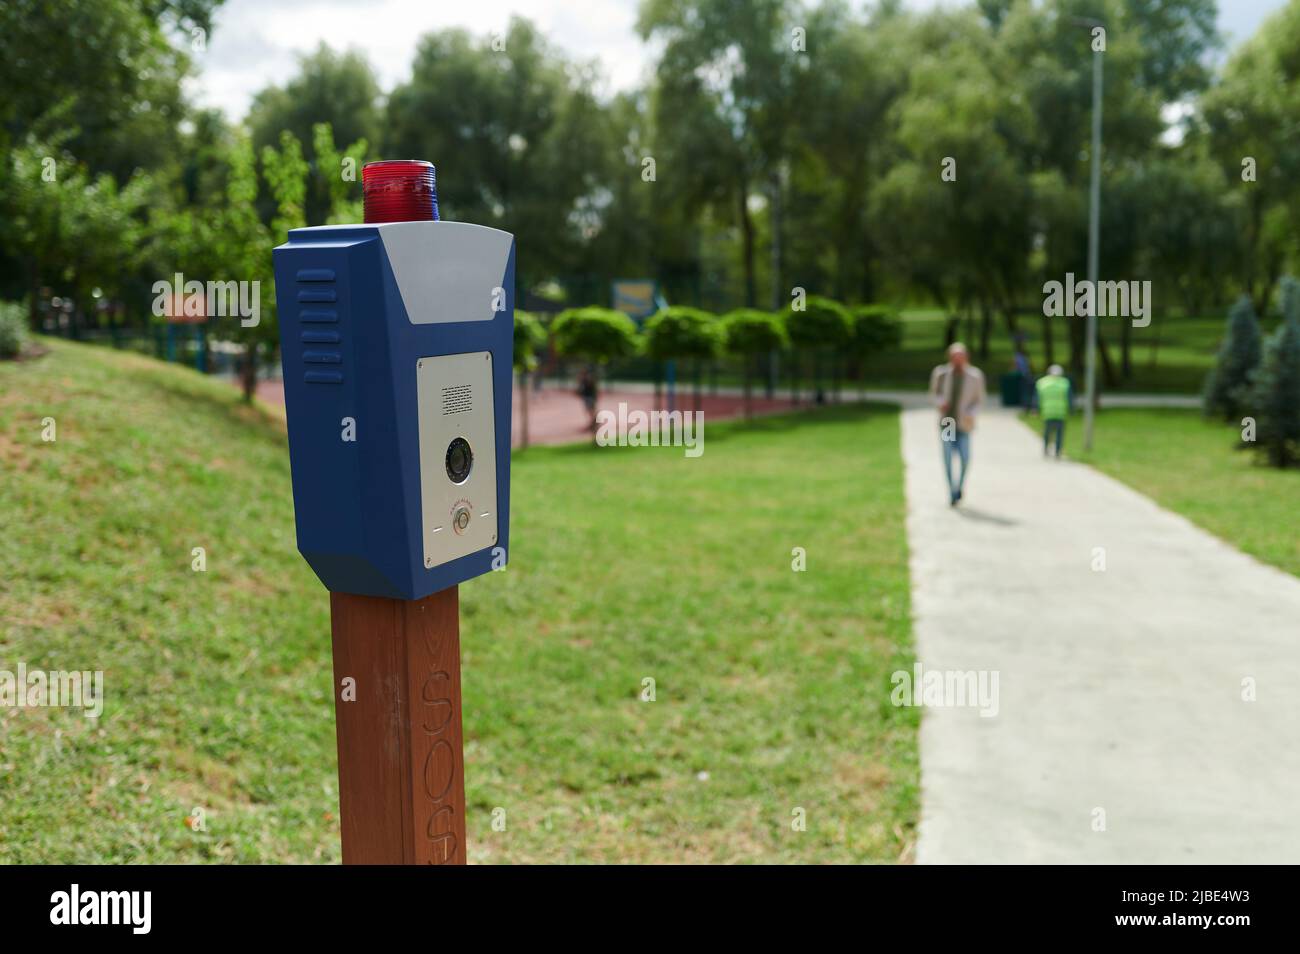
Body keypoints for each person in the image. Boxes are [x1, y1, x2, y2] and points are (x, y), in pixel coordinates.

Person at [929, 342, 986, 506]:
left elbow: (979, 400)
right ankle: (951, 491)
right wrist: (940, 402)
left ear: (966, 357)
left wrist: (971, 413)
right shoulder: (941, 374)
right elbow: (934, 394)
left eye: (960, 357)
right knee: (947, 458)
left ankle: (960, 486)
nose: (958, 360)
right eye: (954, 357)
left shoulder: (975, 376)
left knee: (965, 458)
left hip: (964, 423)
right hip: (947, 423)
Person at [1035, 364, 1072, 458]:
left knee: (1047, 432)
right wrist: (1071, 409)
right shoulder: (1065, 383)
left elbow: (1038, 398)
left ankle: (1046, 449)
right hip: (1061, 412)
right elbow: (1070, 398)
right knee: (1060, 434)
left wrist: (1036, 409)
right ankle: (1057, 452)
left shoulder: (1042, 383)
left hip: (1047, 412)